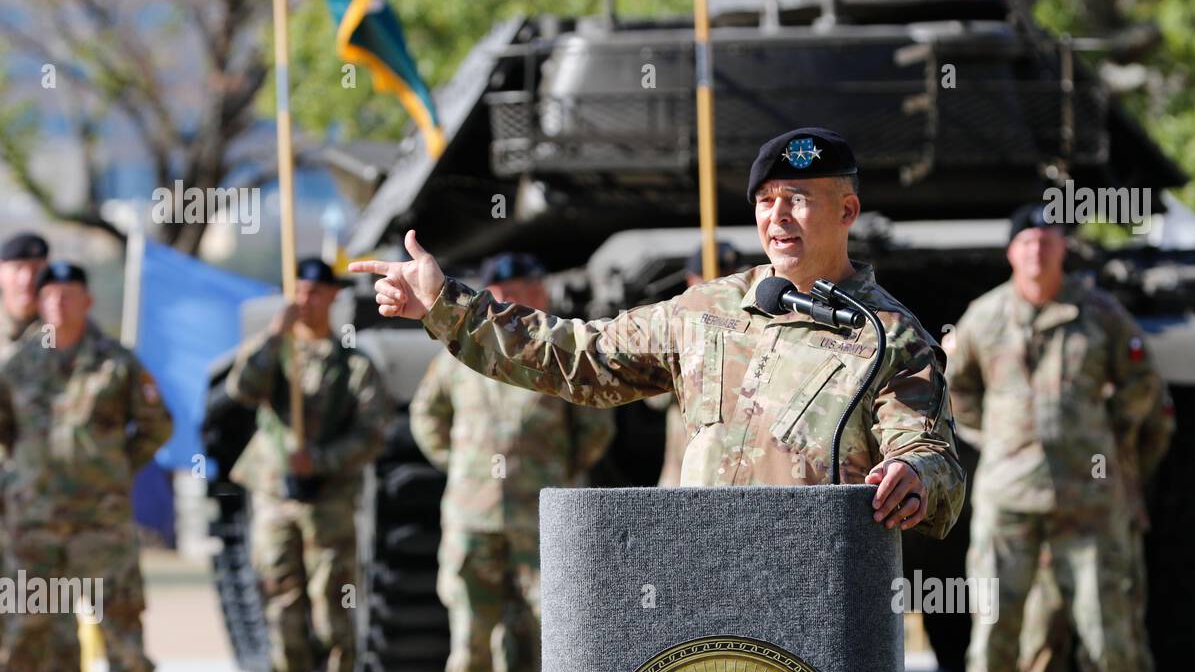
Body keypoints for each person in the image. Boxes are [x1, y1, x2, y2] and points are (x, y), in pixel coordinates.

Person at [351, 127, 965, 537]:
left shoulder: (888, 335)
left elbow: (930, 455)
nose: (777, 217)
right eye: (765, 201)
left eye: (798, 199)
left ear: (846, 212)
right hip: (697, 573)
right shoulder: (706, 310)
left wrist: (913, 480)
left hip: (818, 581)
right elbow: (579, 357)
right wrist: (446, 305)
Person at [945, 202, 1163, 672]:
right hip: (1008, 490)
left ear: (1062, 249)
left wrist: (1106, 437)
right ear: (1011, 252)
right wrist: (987, 435)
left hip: (1087, 494)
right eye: (1027, 242)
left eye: (1047, 241)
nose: (1037, 251)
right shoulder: (985, 316)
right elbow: (954, 387)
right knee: (995, 610)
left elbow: (1141, 382)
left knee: (1100, 608)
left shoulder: (1100, 312)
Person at [410, 253, 615, 672]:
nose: (528, 295)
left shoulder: (560, 355)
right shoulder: (458, 355)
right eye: (515, 286)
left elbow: (595, 426)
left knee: (556, 617)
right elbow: (426, 417)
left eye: (535, 287)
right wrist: (460, 466)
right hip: (471, 512)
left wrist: (560, 471)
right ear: (494, 293)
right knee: (472, 619)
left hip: (542, 511)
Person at [0, 262, 172, 672]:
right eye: (49, 295)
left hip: (102, 520)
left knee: (120, 618)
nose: (57, 304)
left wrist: (115, 470)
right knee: (25, 624)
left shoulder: (116, 363)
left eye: (68, 295)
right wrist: (25, 476)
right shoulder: (18, 363)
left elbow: (157, 425)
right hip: (34, 522)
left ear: (87, 301)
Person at [226, 257, 390, 672]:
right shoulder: (276, 354)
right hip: (276, 497)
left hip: (330, 500)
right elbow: (241, 388)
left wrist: (318, 458)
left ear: (333, 297)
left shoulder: (353, 364)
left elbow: (372, 434)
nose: (307, 300)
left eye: (318, 292)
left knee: (333, 605)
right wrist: (276, 334)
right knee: (282, 602)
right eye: (300, 291)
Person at [1016, 384, 1174, 672]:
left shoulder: (1124, 365)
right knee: (1044, 612)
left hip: (1112, 511)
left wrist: (1124, 478)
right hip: (1049, 505)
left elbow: (1158, 428)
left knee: (1120, 612)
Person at [0, 233, 88, 672]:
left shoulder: (56, 334)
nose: (29, 279)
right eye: (18, 268)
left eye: (39, 268)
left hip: (41, 502)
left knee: (50, 611)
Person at [648, 242, 743, 487]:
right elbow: (653, 396)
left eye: (728, 275)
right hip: (683, 470)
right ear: (692, 280)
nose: (722, 285)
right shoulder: (679, 328)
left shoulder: (749, 327)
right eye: (713, 277)